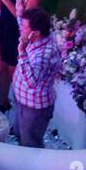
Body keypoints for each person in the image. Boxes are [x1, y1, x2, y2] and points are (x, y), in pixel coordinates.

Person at [11, 8, 60, 148]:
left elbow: (31, 83)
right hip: (23, 100)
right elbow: (24, 24)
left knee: (30, 144)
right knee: (19, 135)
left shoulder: (45, 54)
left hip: (34, 108)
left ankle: (26, 169)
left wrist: (22, 53)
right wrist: (19, 11)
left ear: (35, 33)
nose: (20, 28)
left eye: (23, 27)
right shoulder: (36, 36)